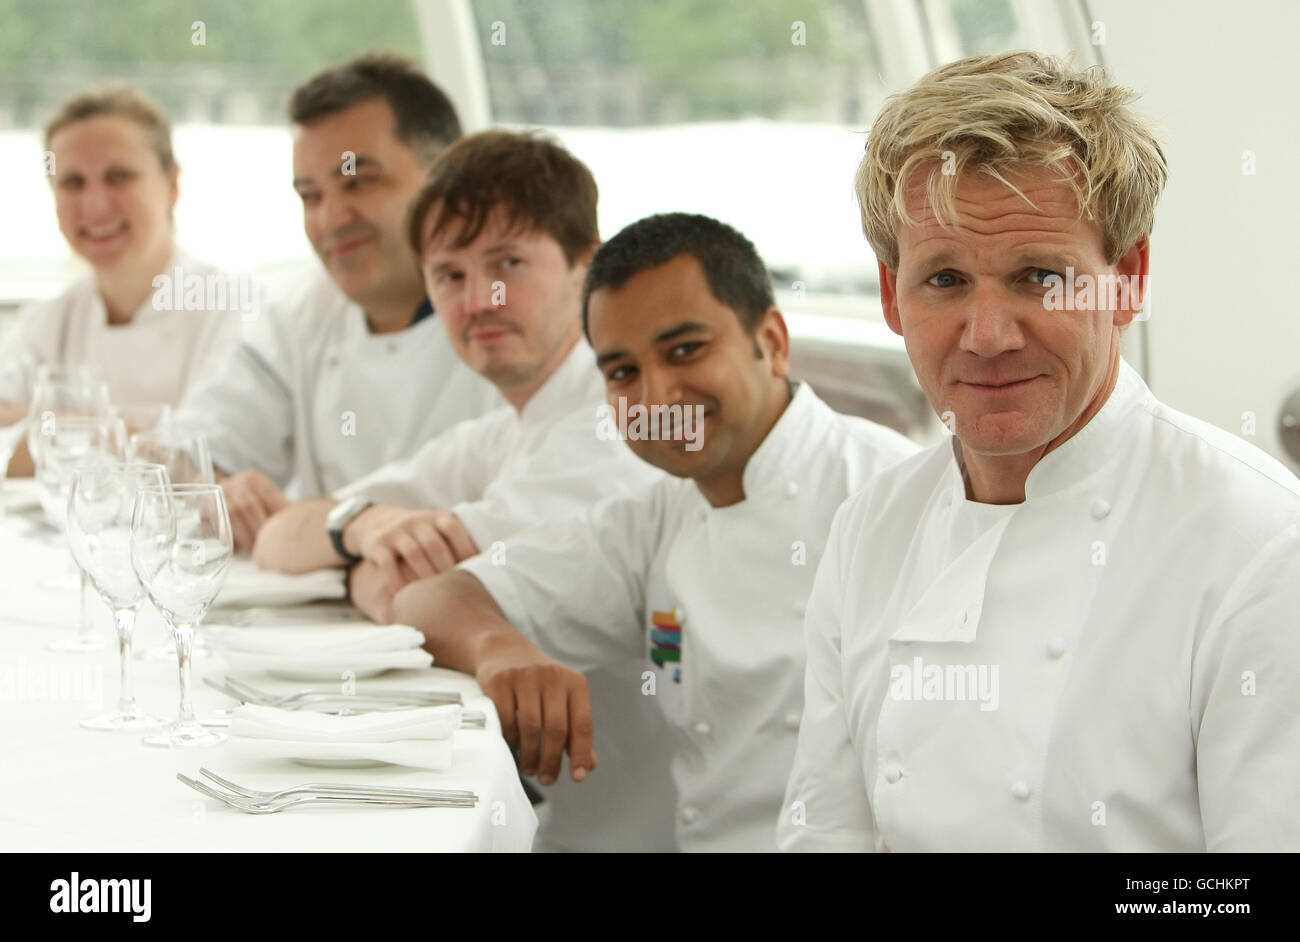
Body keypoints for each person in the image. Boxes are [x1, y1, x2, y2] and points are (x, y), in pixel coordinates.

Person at [778, 51, 1300, 853]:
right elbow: (822, 833)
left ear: (1127, 279)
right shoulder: (870, 530)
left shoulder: (1262, 545)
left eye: (1038, 277)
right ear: (891, 295)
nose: (988, 337)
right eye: (945, 280)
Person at [390, 213, 919, 851]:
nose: (656, 397)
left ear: (772, 341)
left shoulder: (894, 496)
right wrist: (499, 647)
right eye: (621, 372)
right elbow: (426, 600)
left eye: (685, 350)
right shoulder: (653, 518)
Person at [252, 129, 679, 854]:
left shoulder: (610, 430)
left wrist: (372, 557)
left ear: (589, 263)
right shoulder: (503, 428)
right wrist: (360, 528)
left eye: (507, 263)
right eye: (448, 276)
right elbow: (277, 539)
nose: (479, 299)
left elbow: (412, 592)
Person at [174, 53, 498, 550]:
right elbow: (186, 450)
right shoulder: (298, 314)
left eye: (358, 182)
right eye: (310, 196)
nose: (330, 219)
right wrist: (216, 485)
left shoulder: (514, 316)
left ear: (448, 179)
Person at [0, 83, 239, 473]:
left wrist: (47, 425)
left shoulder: (229, 309)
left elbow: (196, 464)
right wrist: (120, 432)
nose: (94, 205)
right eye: (72, 183)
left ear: (172, 185)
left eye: (118, 176)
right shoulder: (51, 318)